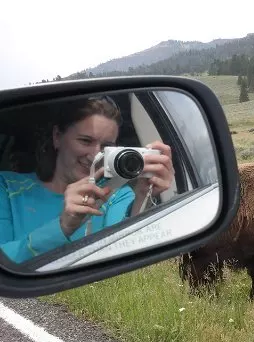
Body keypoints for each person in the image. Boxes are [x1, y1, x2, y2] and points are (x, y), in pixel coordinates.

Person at [0, 96, 175, 264]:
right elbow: (5, 265)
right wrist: (63, 226)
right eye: (85, 141)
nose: (95, 156)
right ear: (57, 137)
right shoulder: (7, 187)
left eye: (106, 147)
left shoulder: (115, 196)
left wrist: (143, 195)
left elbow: (127, 254)